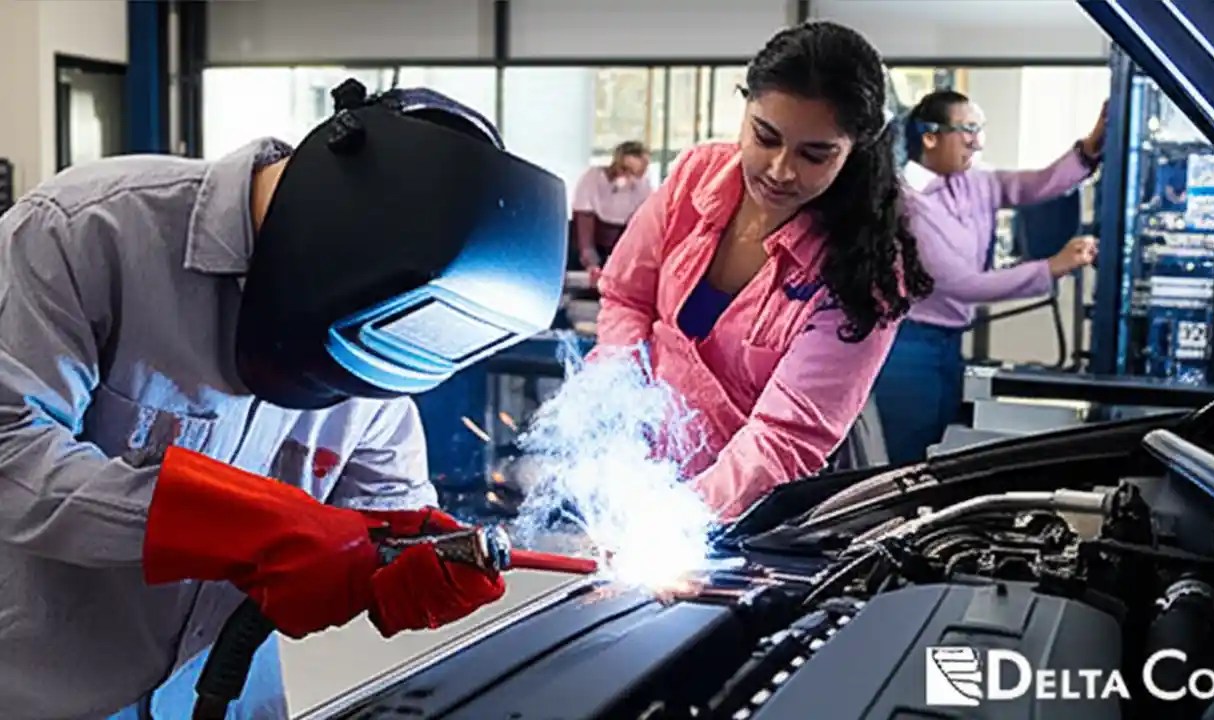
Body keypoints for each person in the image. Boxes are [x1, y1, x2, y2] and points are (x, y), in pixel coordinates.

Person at [0, 79, 568, 719]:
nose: (351, 390)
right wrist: (232, 525)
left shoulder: (391, 319)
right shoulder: (85, 232)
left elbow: (381, 501)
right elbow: (10, 449)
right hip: (42, 694)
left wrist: (401, 557)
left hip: (231, 698)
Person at [593, 21, 933, 521]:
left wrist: (674, 519)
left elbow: (786, 436)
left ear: (856, 147)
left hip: (751, 513)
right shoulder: (695, 175)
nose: (779, 170)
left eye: (814, 154)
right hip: (639, 471)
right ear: (746, 107)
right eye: (765, 136)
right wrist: (614, 410)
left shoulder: (869, 268)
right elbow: (626, 298)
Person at [872, 89, 1105, 464]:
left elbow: (1038, 184)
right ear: (930, 136)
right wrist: (1051, 267)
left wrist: (1089, 150)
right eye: (965, 129)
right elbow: (963, 285)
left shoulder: (973, 181)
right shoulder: (908, 203)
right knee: (907, 455)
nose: (976, 141)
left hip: (949, 345)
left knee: (937, 446)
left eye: (979, 129)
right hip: (909, 347)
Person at [570, 140, 653, 284]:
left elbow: (641, 233)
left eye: (637, 173)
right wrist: (592, 265)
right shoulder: (592, 180)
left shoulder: (643, 187)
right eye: (625, 169)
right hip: (589, 246)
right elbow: (584, 232)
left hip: (621, 246)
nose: (629, 177)